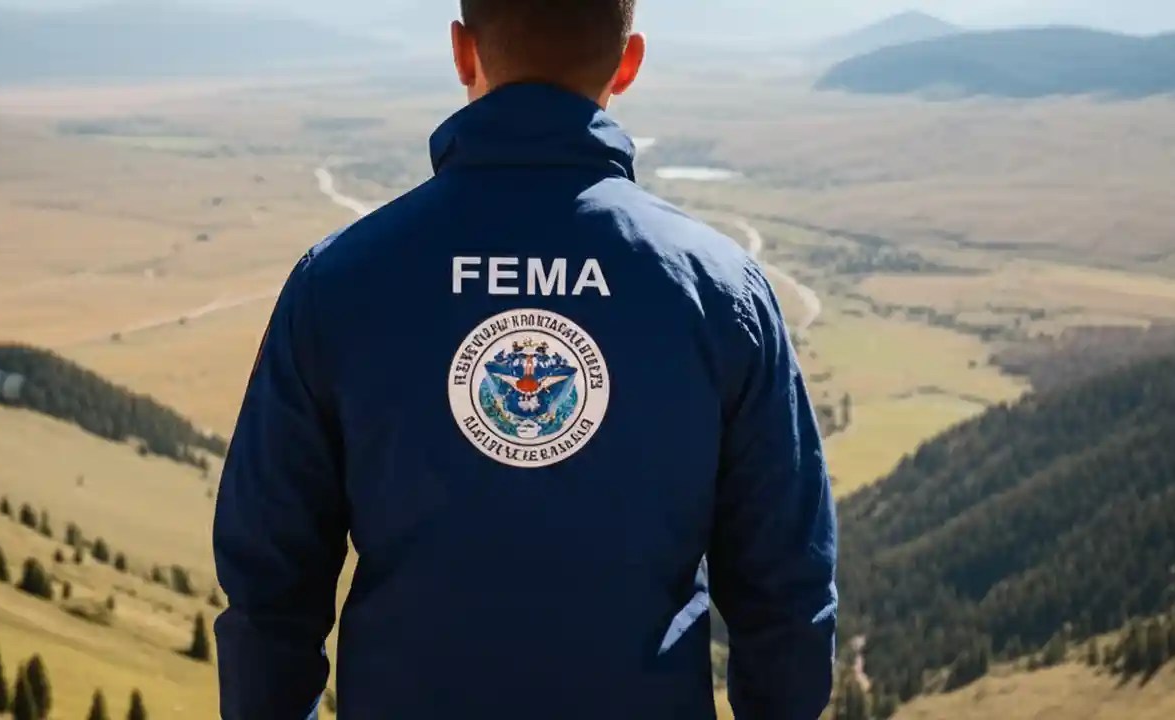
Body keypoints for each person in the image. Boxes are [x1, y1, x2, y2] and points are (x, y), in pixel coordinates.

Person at [213, 1, 837, 718]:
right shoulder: (721, 291)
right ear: (629, 62)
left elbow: (268, 588)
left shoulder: (338, 282)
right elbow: (788, 590)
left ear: (461, 52)